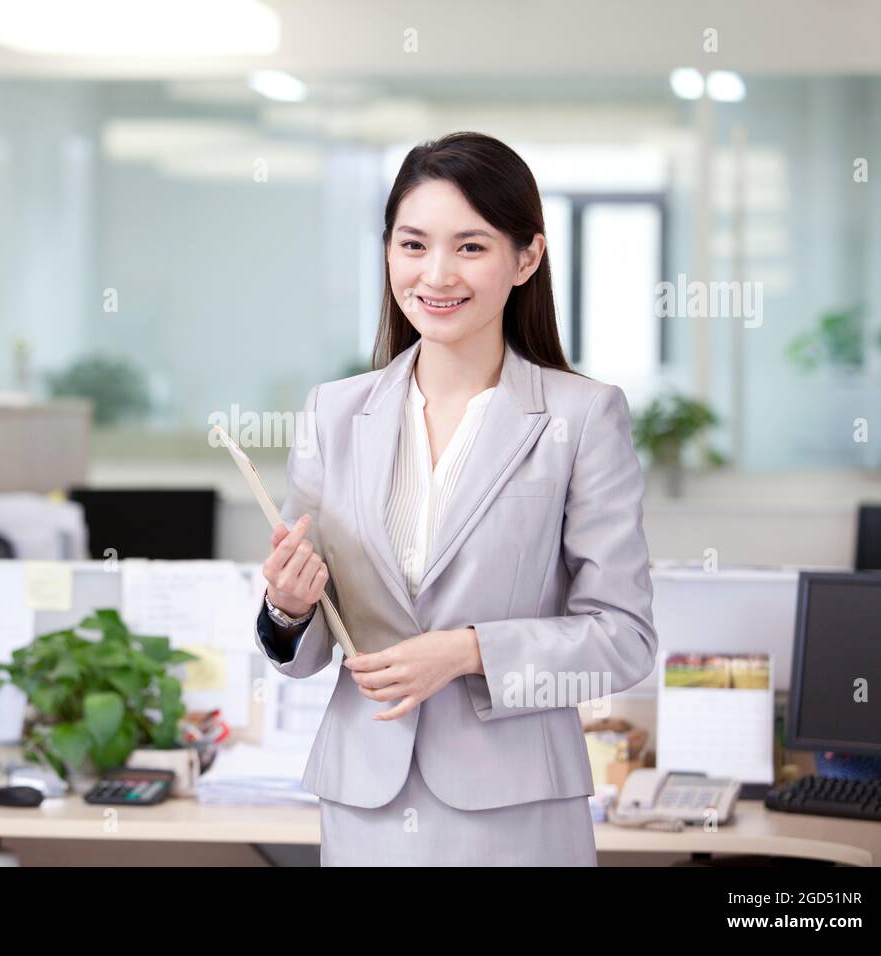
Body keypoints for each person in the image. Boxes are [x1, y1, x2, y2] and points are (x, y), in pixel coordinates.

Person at [255, 131, 657, 866]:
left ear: (526, 258)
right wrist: (289, 607)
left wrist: (468, 653)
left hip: (515, 810)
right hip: (364, 802)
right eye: (413, 245)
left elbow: (622, 640)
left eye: (470, 247)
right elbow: (308, 650)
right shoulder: (332, 414)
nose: (435, 274)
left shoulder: (582, 417)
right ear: (387, 252)